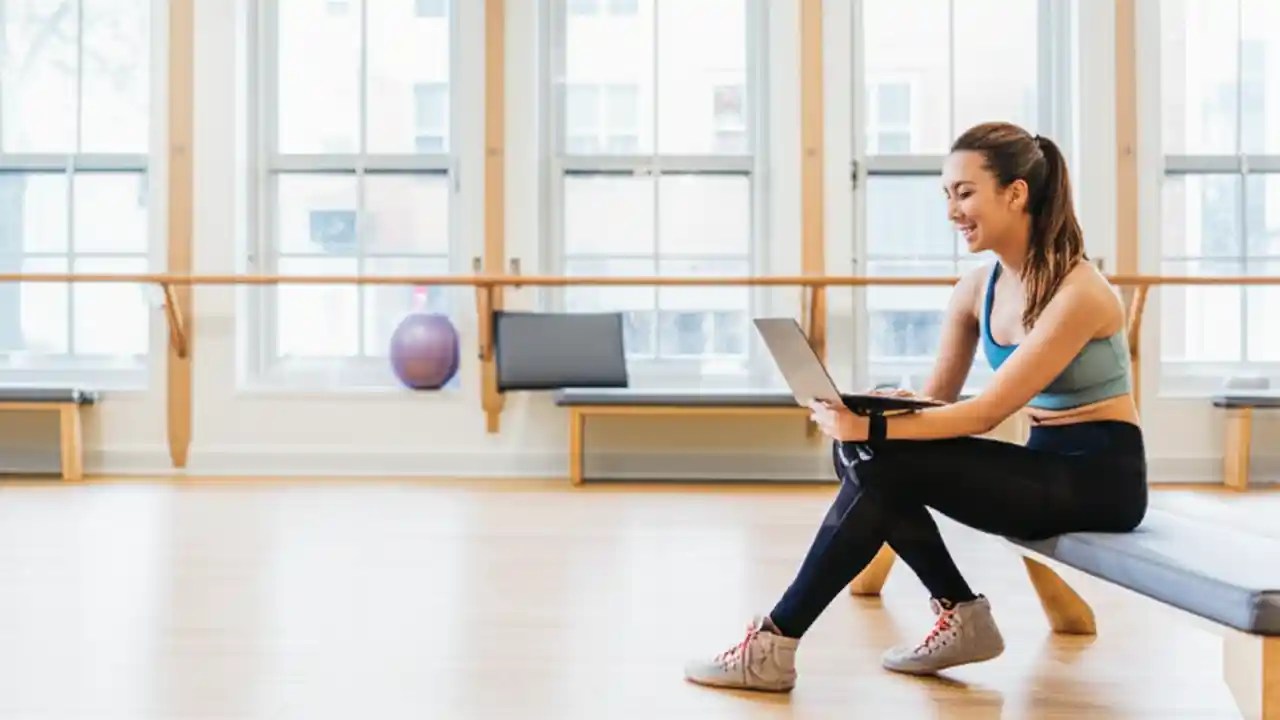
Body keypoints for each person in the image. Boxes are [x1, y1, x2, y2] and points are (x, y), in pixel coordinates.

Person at [683, 121, 1148, 692]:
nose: (953, 209)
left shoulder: (1081, 292)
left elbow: (984, 415)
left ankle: (777, 642)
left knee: (875, 451)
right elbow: (942, 403)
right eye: (946, 195)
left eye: (965, 192)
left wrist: (873, 427)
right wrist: (884, 410)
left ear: (1016, 193)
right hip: (1042, 463)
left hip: (1099, 478)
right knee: (863, 451)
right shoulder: (977, 288)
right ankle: (956, 613)